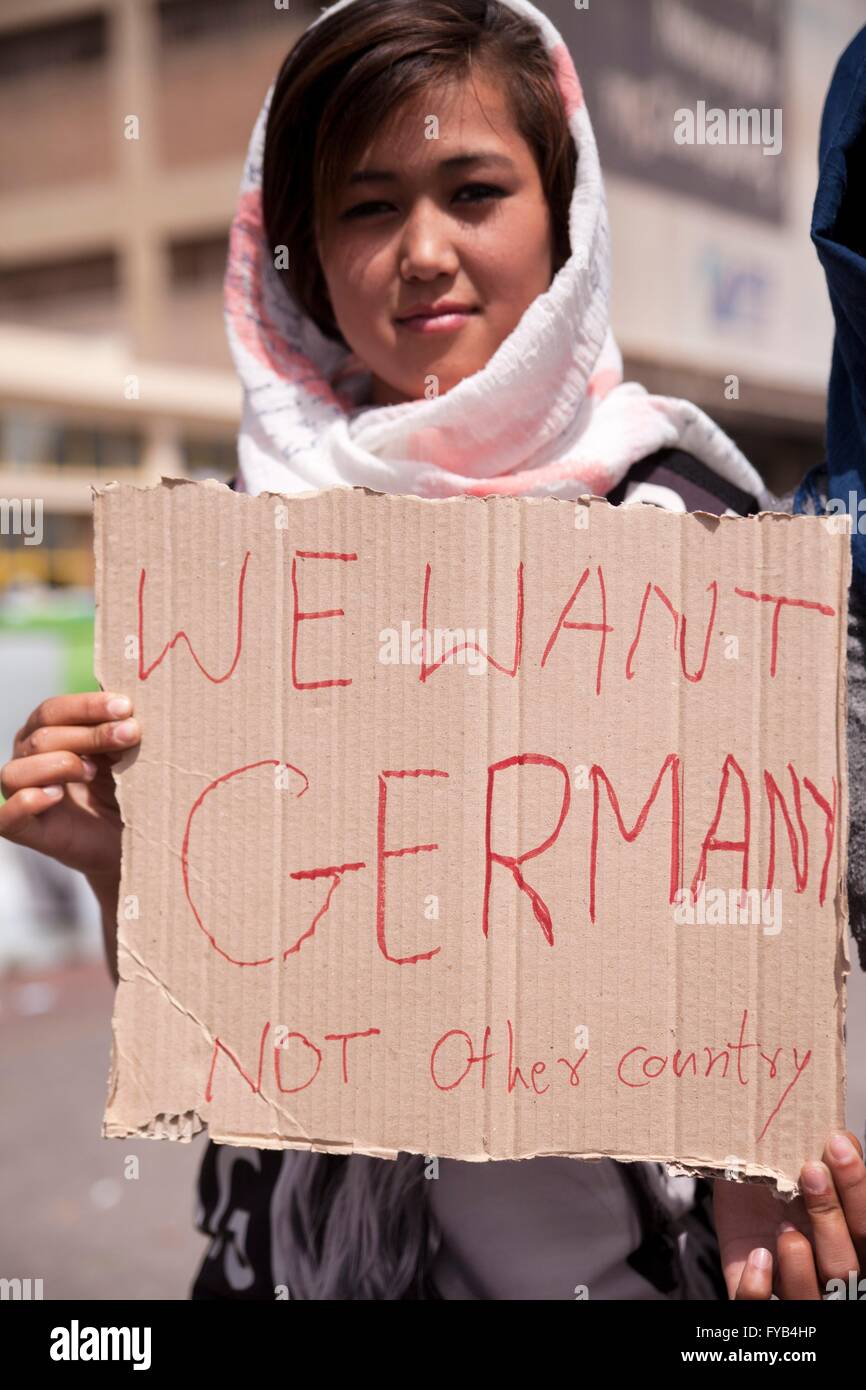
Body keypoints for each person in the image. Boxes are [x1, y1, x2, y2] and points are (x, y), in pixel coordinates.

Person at [1, 0, 863, 1301]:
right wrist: (133, 874)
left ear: (561, 220)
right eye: (365, 205)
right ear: (293, 249)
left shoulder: (686, 542)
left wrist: (772, 1223)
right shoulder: (244, 570)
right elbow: (234, 1016)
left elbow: (761, 979)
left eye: (472, 190)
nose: (420, 251)